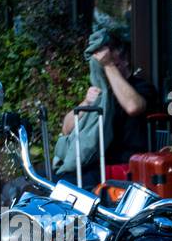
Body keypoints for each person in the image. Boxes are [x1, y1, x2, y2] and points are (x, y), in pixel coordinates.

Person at [59, 33, 160, 182]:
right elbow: (66, 129)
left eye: (115, 64)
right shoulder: (102, 93)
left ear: (125, 61)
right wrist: (86, 102)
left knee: (66, 183)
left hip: (125, 166)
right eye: (102, 66)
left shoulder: (141, 87)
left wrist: (108, 65)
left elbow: (133, 107)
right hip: (94, 163)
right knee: (53, 180)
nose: (107, 72)